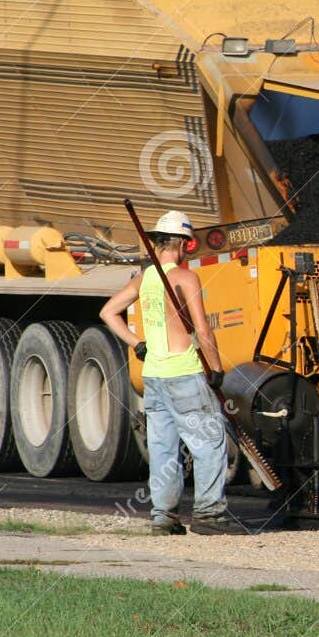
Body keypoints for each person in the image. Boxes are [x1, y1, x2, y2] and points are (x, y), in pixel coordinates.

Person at [98, 210, 235, 535]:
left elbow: (108, 312)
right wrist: (216, 369)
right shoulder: (186, 278)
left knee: (162, 449)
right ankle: (209, 515)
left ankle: (163, 517)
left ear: (158, 242)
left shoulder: (143, 279)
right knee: (209, 442)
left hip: (154, 376)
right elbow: (203, 330)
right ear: (185, 245)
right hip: (184, 372)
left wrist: (137, 343)